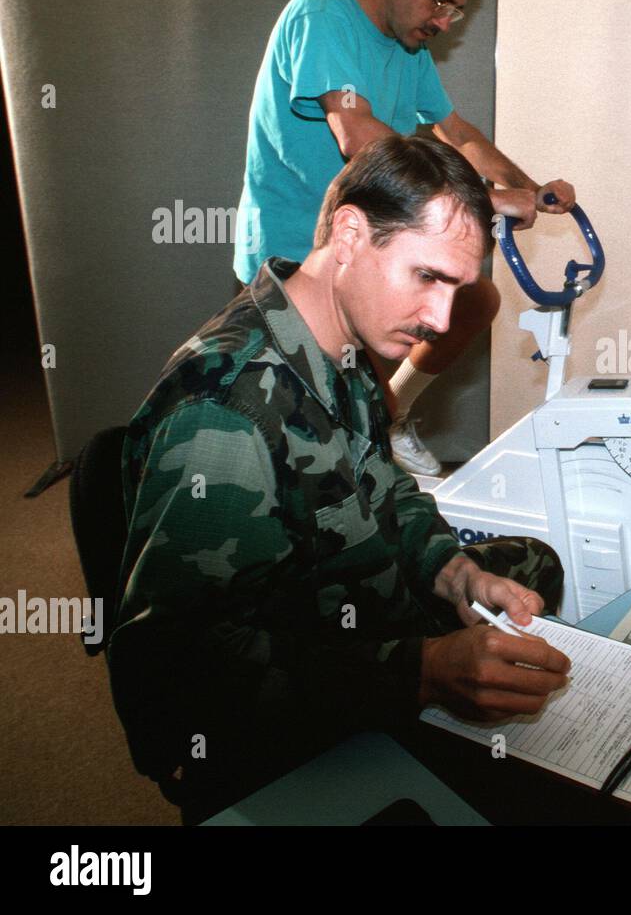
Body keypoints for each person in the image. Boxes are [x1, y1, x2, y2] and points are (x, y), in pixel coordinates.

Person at [112, 136, 572, 823]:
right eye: (428, 278)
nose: (441, 322)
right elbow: (181, 677)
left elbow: (383, 487)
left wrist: (452, 572)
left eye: (457, 287)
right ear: (352, 234)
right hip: (280, 712)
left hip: (357, 613)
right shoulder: (227, 415)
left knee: (534, 570)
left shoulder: (342, 345)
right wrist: (421, 671)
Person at [233, 0, 575, 475]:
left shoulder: (408, 51)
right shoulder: (321, 16)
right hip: (298, 254)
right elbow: (359, 139)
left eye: (456, 10)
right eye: (439, 0)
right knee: (308, 438)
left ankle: (387, 418)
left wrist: (530, 190)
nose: (445, 22)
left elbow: (458, 134)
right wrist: (485, 201)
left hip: (373, 244)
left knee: (474, 302)